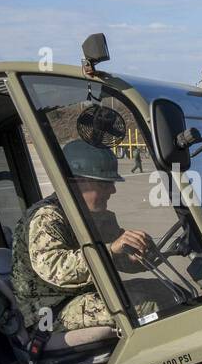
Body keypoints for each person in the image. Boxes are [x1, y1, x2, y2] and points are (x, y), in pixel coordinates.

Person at [11, 141, 156, 331]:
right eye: (105, 184)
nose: (112, 190)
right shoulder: (47, 216)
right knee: (149, 307)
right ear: (77, 182)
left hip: (80, 296)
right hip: (48, 310)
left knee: (161, 291)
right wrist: (111, 249)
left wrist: (142, 255)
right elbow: (55, 269)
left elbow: (117, 257)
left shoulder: (91, 214)